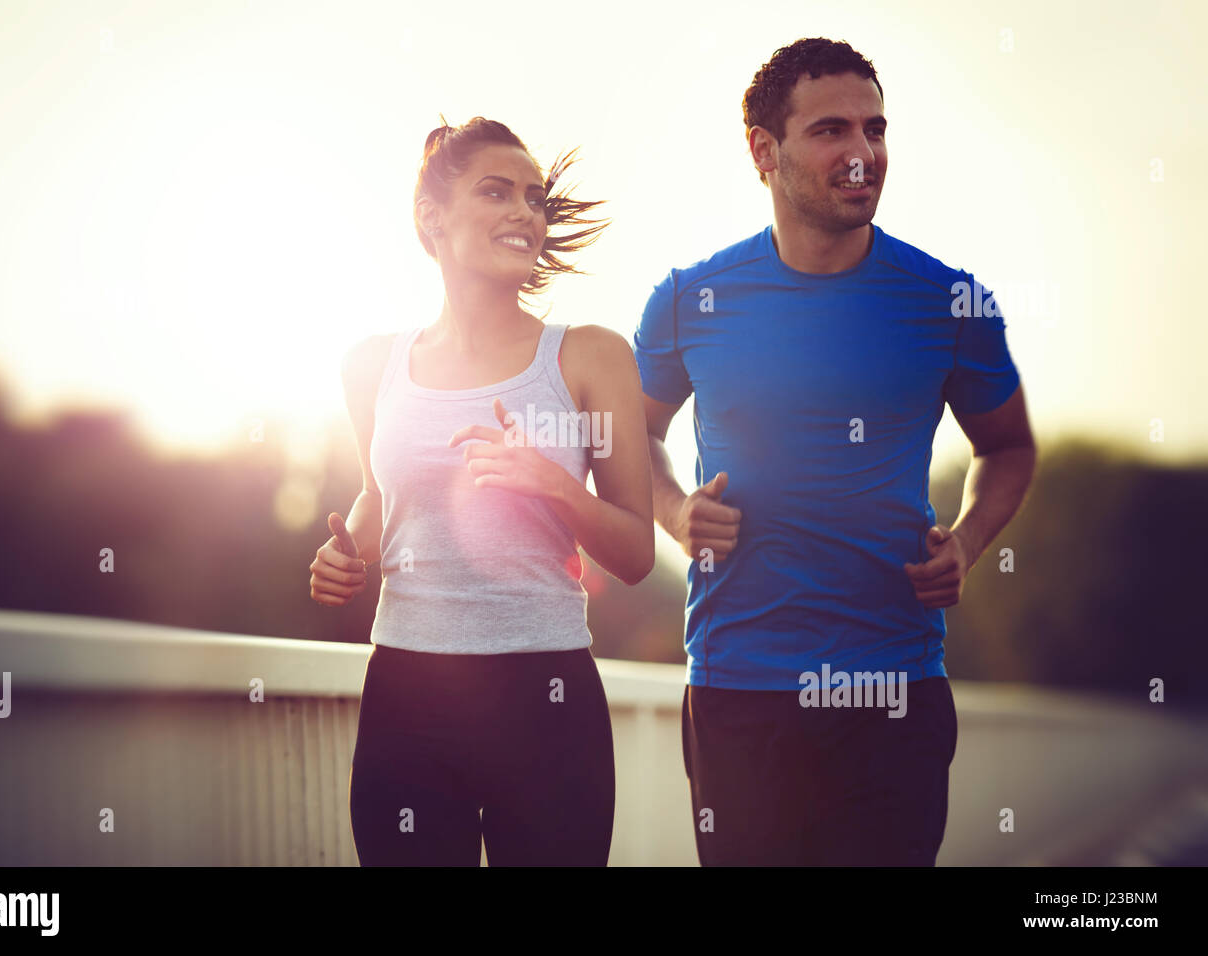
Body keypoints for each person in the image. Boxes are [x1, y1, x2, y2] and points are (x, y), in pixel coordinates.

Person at [634, 38, 1037, 866]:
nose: (863, 154)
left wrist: (966, 543)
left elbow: (1007, 446)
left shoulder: (952, 302)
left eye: (874, 129)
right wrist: (674, 511)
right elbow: (633, 434)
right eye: (831, 131)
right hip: (740, 689)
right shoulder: (686, 301)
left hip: (895, 688)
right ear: (763, 150)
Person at [309, 117, 654, 866]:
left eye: (534, 199)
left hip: (547, 697)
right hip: (405, 692)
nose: (524, 212)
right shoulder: (370, 365)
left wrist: (551, 484)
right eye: (496, 192)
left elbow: (634, 554)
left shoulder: (590, 356)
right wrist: (347, 555)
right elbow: (377, 498)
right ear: (431, 216)